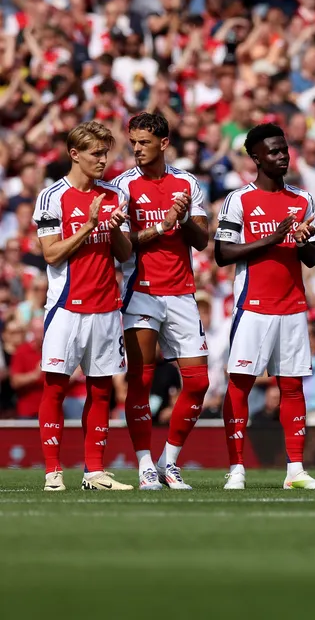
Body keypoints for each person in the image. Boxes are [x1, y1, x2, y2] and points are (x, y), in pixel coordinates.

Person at [213, 123, 315, 489]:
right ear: (256, 158)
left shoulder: (303, 199)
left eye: (284, 150)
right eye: (273, 152)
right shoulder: (239, 199)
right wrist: (272, 238)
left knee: (292, 387)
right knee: (240, 384)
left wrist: (301, 240)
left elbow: (311, 258)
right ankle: (236, 468)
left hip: (293, 306)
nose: (282, 156)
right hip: (253, 306)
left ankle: (295, 470)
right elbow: (222, 253)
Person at [111, 112, 210, 490]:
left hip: (182, 291)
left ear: (164, 143)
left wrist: (182, 219)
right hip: (141, 292)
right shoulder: (122, 186)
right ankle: (144, 464)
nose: (136, 149)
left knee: (198, 382)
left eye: (144, 142)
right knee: (140, 380)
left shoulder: (186, 183)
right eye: (133, 142)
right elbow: (121, 248)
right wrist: (161, 226)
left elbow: (202, 241)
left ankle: (169, 460)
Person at [34, 122, 133, 490]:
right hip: (66, 307)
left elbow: (124, 256)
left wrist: (116, 229)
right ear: (74, 154)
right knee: (56, 388)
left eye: (106, 153)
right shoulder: (52, 197)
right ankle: (52, 472)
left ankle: (95, 471)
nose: (103, 160)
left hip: (107, 306)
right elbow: (51, 254)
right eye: (96, 153)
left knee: (102, 389)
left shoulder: (113, 195)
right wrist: (89, 226)